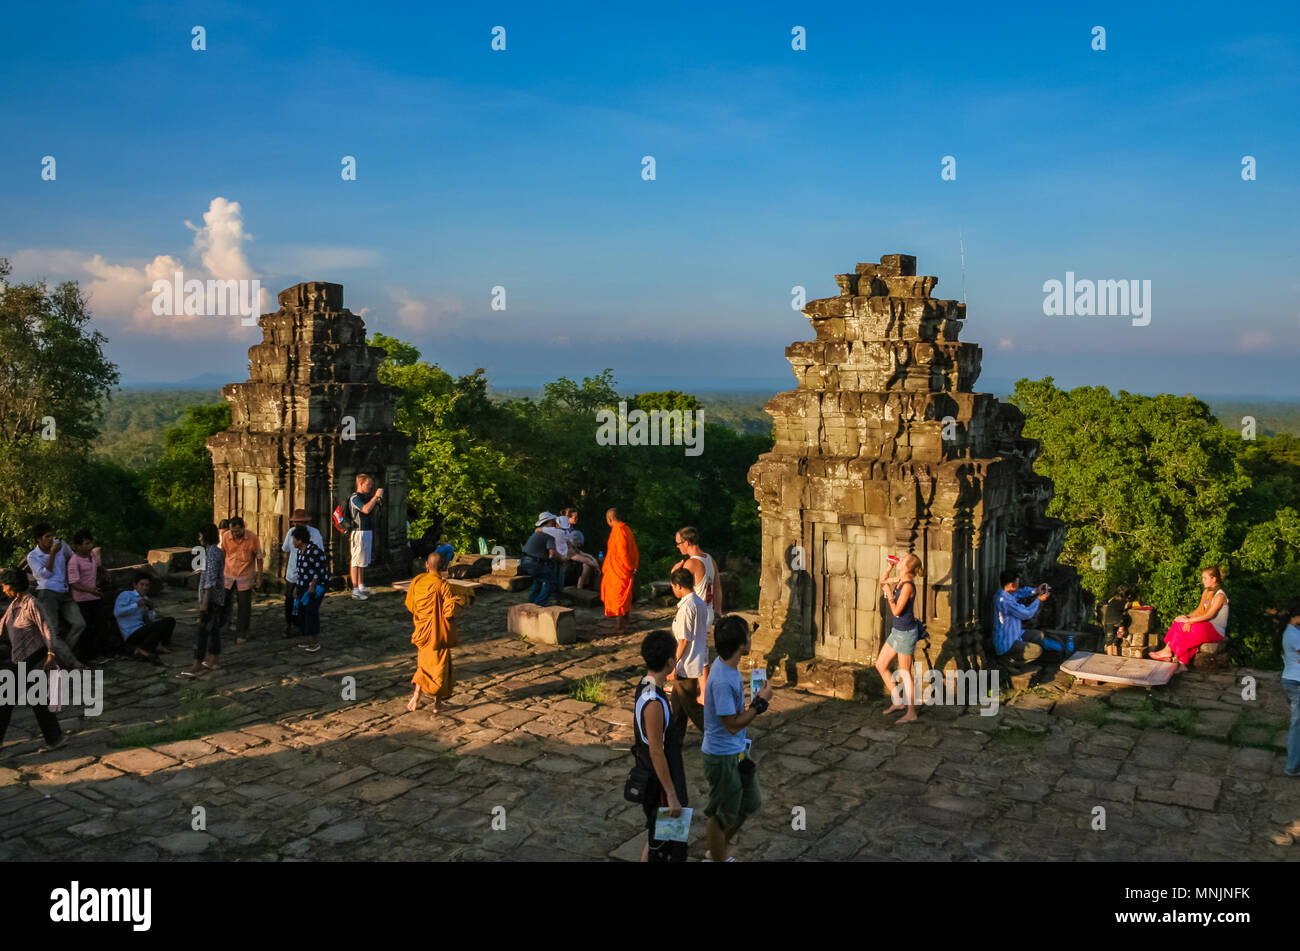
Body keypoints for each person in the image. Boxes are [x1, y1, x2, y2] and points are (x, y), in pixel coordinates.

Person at [701, 614, 773, 863]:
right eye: (749, 635)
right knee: (721, 814)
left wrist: (755, 700)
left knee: (749, 803)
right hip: (722, 756)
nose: (751, 639)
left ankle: (716, 849)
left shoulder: (729, 668)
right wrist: (760, 703)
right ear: (741, 645)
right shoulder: (721, 680)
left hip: (738, 751)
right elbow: (731, 725)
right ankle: (715, 857)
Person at [633, 629, 687, 862]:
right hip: (661, 788)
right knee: (668, 850)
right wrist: (672, 795)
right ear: (669, 662)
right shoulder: (653, 702)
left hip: (659, 784)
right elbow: (656, 750)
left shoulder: (646, 685)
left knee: (656, 842)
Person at [0, 569, 65, 751]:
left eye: (5, 586)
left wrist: (51, 654)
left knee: (6, 700)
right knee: (36, 701)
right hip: (20, 659)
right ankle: (55, 739)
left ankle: (56, 739)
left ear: (14, 585)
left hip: (34, 657)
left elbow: (47, 629)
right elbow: (2, 630)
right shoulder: (14, 606)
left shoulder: (32, 604)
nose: (3, 590)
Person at [405, 549, 465, 715]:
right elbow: (449, 611)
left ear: (426, 565)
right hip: (436, 633)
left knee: (423, 664)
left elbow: (410, 604)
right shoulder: (442, 585)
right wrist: (461, 600)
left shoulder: (417, 581)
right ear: (445, 566)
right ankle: (437, 704)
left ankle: (416, 695)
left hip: (422, 630)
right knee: (440, 669)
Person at [26, 523, 85, 669]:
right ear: (38, 539)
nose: (51, 539)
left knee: (79, 623)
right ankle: (72, 661)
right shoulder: (33, 556)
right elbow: (45, 574)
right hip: (47, 593)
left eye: (52, 535)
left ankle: (62, 657)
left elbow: (73, 558)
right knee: (53, 630)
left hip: (65, 591)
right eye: (47, 537)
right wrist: (52, 554)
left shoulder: (61, 545)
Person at [1149, 566, 1229, 671]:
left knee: (1188, 630)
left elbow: (1210, 615)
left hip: (1215, 630)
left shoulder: (1220, 596)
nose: (1202, 581)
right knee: (1178, 623)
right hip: (1205, 625)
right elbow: (1199, 611)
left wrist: (1189, 621)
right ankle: (1170, 652)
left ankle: (1179, 659)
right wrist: (1186, 617)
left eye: (1205, 578)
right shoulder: (1206, 592)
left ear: (1214, 579)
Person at [877, 553, 923, 724]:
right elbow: (883, 580)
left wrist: (889, 594)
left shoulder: (908, 586)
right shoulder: (901, 579)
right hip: (897, 631)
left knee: (905, 673)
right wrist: (889, 567)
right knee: (881, 665)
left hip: (906, 633)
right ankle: (898, 702)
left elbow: (896, 611)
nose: (900, 559)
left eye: (903, 559)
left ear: (906, 566)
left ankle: (911, 713)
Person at [667, 567, 710, 736]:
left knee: (693, 709)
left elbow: (684, 640)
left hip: (687, 663)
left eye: (673, 587)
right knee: (677, 707)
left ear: (678, 586)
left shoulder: (687, 607)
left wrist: (673, 664)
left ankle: (717, 734)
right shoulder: (699, 603)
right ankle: (674, 739)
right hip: (696, 659)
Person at [182, 524, 226, 679]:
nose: (199, 538)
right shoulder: (215, 552)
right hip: (216, 596)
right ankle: (214, 660)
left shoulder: (213, 554)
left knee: (202, 631)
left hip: (212, 598)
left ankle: (197, 664)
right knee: (213, 629)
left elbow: (211, 580)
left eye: (200, 535)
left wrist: (204, 601)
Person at [66, 530, 109, 660]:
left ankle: (103, 653)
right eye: (85, 543)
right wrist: (91, 591)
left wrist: (105, 573)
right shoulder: (74, 561)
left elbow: (99, 566)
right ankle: (89, 656)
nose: (89, 546)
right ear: (78, 546)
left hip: (95, 597)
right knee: (87, 628)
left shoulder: (92, 555)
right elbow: (73, 583)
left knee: (101, 625)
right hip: (82, 600)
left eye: (90, 543)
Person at [219, 516, 263, 644]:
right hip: (228, 575)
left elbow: (259, 557)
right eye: (233, 531)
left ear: (243, 528)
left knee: (244, 606)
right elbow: (222, 555)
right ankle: (222, 625)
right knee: (222, 602)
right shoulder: (226, 536)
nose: (235, 534)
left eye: (237, 531)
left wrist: (259, 577)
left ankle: (242, 632)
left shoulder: (252, 538)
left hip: (245, 576)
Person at [112, 572, 173, 665]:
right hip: (131, 634)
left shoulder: (146, 598)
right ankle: (145, 649)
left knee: (170, 621)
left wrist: (151, 609)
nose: (145, 587)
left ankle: (155, 646)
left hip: (142, 630)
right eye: (142, 585)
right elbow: (117, 613)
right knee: (159, 626)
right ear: (135, 585)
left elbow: (151, 619)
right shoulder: (126, 595)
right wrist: (136, 604)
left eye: (147, 585)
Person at [281, 509, 324, 638]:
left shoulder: (314, 534)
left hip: (307, 575)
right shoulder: (290, 533)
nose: (298, 525)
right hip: (293, 573)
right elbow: (286, 549)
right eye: (296, 523)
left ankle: (303, 626)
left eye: (302, 523)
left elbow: (319, 558)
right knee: (290, 600)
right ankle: (290, 624)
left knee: (304, 602)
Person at [994, 570, 1051, 664]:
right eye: (1017, 583)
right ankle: (1007, 661)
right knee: (1037, 651)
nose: (1018, 585)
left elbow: (1021, 592)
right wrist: (1038, 600)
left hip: (1016, 634)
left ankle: (1014, 657)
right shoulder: (1004, 601)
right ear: (1012, 585)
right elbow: (1026, 614)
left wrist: (1036, 590)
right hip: (1007, 643)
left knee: (1039, 635)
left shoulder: (1006, 593)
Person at [600, 508, 639, 634]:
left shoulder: (619, 531)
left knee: (620, 597)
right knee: (624, 596)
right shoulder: (625, 529)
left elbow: (623, 554)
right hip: (617, 569)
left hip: (621, 570)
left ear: (610, 519)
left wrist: (629, 567)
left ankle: (620, 626)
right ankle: (624, 624)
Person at [672, 526, 721, 624]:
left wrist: (673, 573)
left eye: (678, 543)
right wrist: (718, 611)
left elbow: (679, 593)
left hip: (695, 615)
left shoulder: (690, 563)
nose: (677, 546)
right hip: (709, 613)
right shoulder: (710, 559)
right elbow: (717, 587)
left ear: (686, 543)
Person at [292, 527, 329, 653]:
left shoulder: (314, 551)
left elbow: (320, 569)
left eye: (294, 540)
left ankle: (315, 640)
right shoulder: (299, 552)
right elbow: (300, 571)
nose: (293, 542)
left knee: (311, 611)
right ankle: (307, 638)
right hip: (302, 585)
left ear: (300, 540)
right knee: (301, 612)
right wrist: (297, 587)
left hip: (315, 587)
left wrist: (313, 585)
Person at [349, 472, 384, 600]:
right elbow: (365, 510)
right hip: (358, 532)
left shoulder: (364, 497)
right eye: (368, 485)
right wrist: (375, 497)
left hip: (367, 531)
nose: (370, 487)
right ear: (360, 484)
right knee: (356, 561)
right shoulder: (354, 498)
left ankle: (361, 584)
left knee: (362, 560)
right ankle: (355, 590)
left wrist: (377, 500)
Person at [522, 514, 565, 605]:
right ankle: (538, 605)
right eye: (553, 522)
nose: (554, 524)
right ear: (549, 522)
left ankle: (531, 604)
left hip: (525, 560)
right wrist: (562, 558)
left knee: (538, 581)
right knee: (551, 582)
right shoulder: (549, 535)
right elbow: (552, 554)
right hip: (535, 562)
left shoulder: (538, 533)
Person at [1281, 600, 1300, 778]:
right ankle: (1293, 765)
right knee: (1297, 725)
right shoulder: (1292, 635)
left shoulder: (1295, 631)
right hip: (1296, 683)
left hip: (1292, 680)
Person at [560, 508, 600, 589]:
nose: (577, 519)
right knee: (587, 563)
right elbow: (571, 550)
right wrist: (596, 565)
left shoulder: (570, 528)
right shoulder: (564, 529)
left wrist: (592, 559)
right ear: (568, 518)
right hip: (568, 556)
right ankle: (580, 587)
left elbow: (577, 550)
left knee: (588, 560)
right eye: (575, 518)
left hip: (573, 552)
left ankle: (581, 586)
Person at [1100, 584, 1131, 656]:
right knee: (1126, 617)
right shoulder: (1124, 601)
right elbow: (1127, 606)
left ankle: (1109, 655)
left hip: (1107, 621)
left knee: (1109, 640)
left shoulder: (1112, 599)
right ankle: (1121, 630)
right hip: (1117, 621)